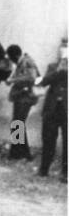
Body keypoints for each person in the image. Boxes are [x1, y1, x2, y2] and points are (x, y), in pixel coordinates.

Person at [38, 39, 68, 180]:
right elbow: (43, 81)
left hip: (23, 102)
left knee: (18, 122)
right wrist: (59, 71)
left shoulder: (24, 63)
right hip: (50, 108)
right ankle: (17, 148)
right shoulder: (53, 66)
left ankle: (18, 149)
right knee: (18, 122)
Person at [6, 45, 40, 161]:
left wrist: (12, 80)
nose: (11, 61)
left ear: (15, 56)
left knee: (18, 124)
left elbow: (31, 77)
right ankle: (18, 152)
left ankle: (23, 153)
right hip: (20, 97)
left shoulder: (27, 62)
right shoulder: (22, 62)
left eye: (11, 58)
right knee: (16, 124)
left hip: (26, 98)